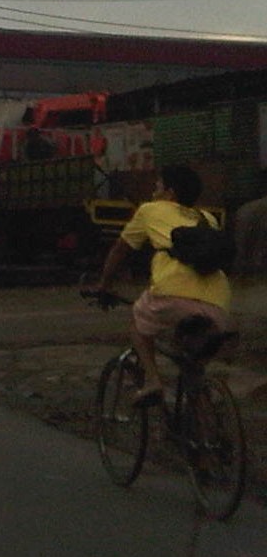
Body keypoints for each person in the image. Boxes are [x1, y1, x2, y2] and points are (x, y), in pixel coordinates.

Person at [82, 164, 233, 407]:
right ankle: (204, 423)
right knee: (192, 363)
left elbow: (120, 250)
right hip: (219, 303)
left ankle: (153, 381)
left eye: (158, 186)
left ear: (170, 193)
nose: (154, 191)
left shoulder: (150, 210)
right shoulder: (208, 219)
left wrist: (104, 284)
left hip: (172, 294)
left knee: (138, 323)